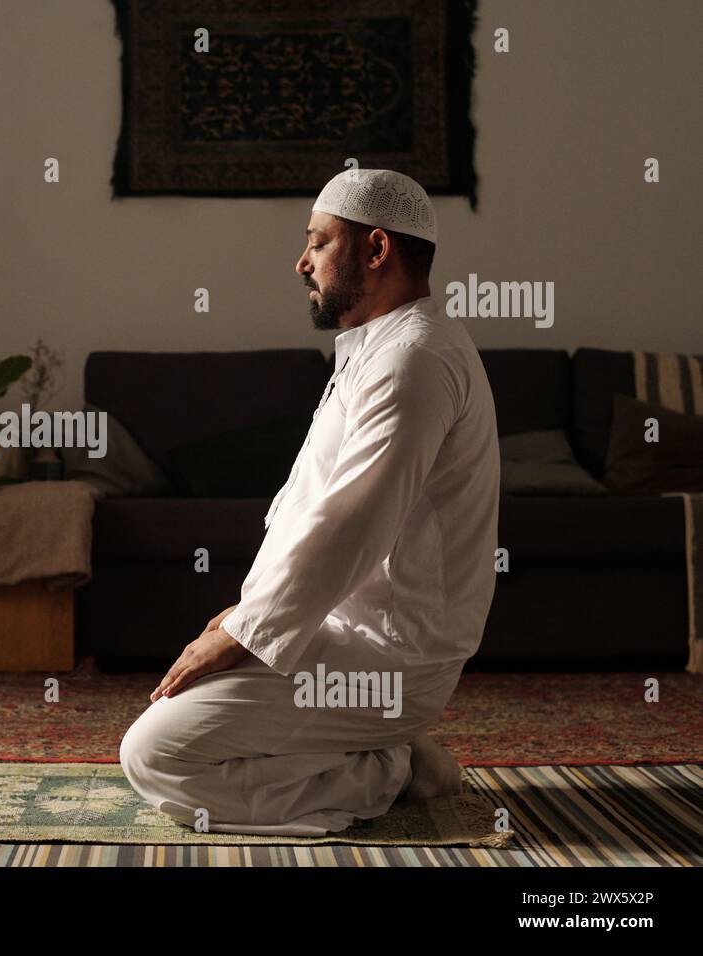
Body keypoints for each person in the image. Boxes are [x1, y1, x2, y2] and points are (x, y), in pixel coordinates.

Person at [119, 169, 500, 835]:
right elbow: (310, 513)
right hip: (339, 633)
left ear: (376, 249)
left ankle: (392, 768)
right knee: (180, 719)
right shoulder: (377, 348)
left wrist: (245, 633)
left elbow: (350, 527)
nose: (301, 262)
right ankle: (385, 753)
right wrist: (246, 615)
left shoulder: (414, 359)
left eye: (318, 243)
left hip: (392, 658)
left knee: (158, 756)